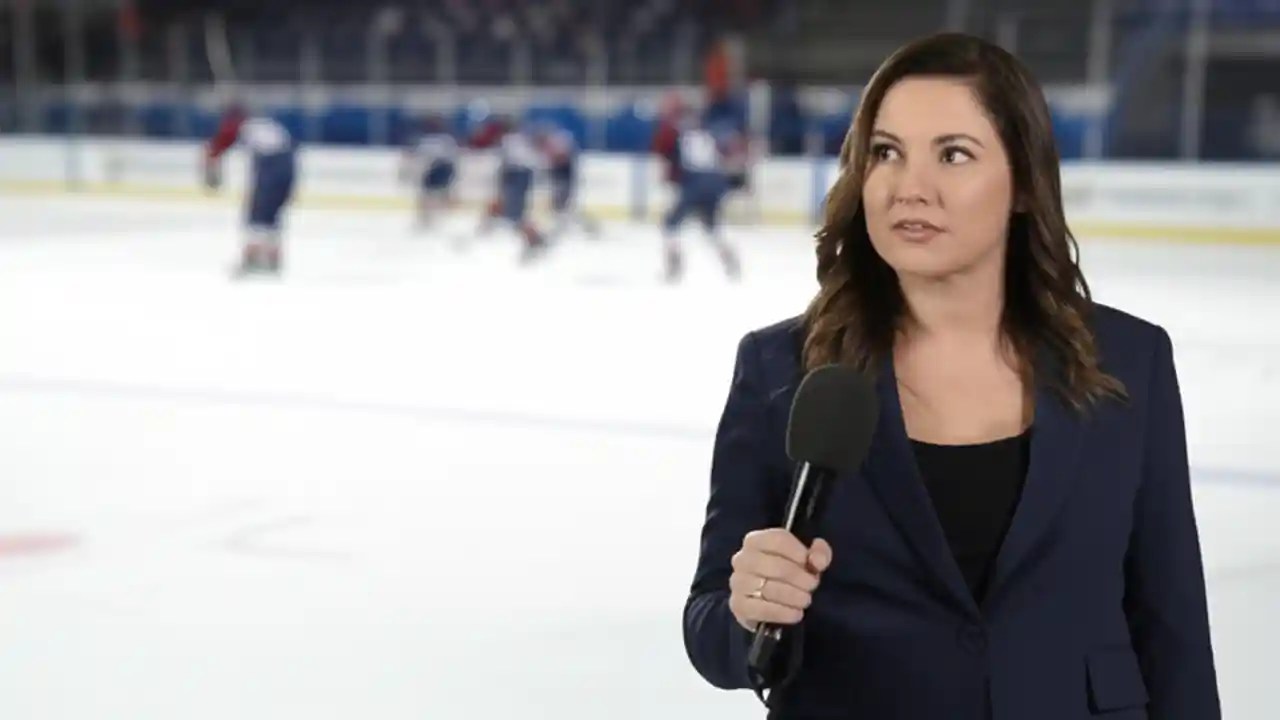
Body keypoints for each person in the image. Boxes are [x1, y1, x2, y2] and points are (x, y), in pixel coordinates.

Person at [682, 32, 1220, 719]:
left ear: (1024, 181)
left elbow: (1172, 626)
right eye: (886, 153)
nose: (911, 187)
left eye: (954, 154)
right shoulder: (780, 369)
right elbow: (710, 628)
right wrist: (748, 612)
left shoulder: (1130, 360)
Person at [204, 104, 297, 276]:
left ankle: (253, 257)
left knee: (257, 212)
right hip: (288, 166)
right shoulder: (266, 126)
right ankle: (272, 256)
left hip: (272, 166)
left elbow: (220, 142)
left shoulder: (244, 126)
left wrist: (212, 163)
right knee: (272, 214)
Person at [661, 113, 742, 283]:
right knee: (711, 227)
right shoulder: (709, 136)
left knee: (671, 224)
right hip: (715, 181)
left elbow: (676, 162)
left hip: (696, 181)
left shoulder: (684, 137)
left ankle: (674, 265)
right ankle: (729, 259)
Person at [534, 122, 600, 241]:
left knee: (564, 208)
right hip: (559, 180)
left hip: (565, 180)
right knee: (561, 208)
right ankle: (584, 227)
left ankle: (587, 226)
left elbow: (562, 164)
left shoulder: (559, 149)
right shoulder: (551, 150)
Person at [399, 114, 458, 232]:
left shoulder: (435, 140)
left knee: (430, 194)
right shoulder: (443, 140)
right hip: (440, 169)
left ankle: (432, 216)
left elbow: (415, 154)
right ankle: (431, 216)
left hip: (440, 169)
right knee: (430, 194)